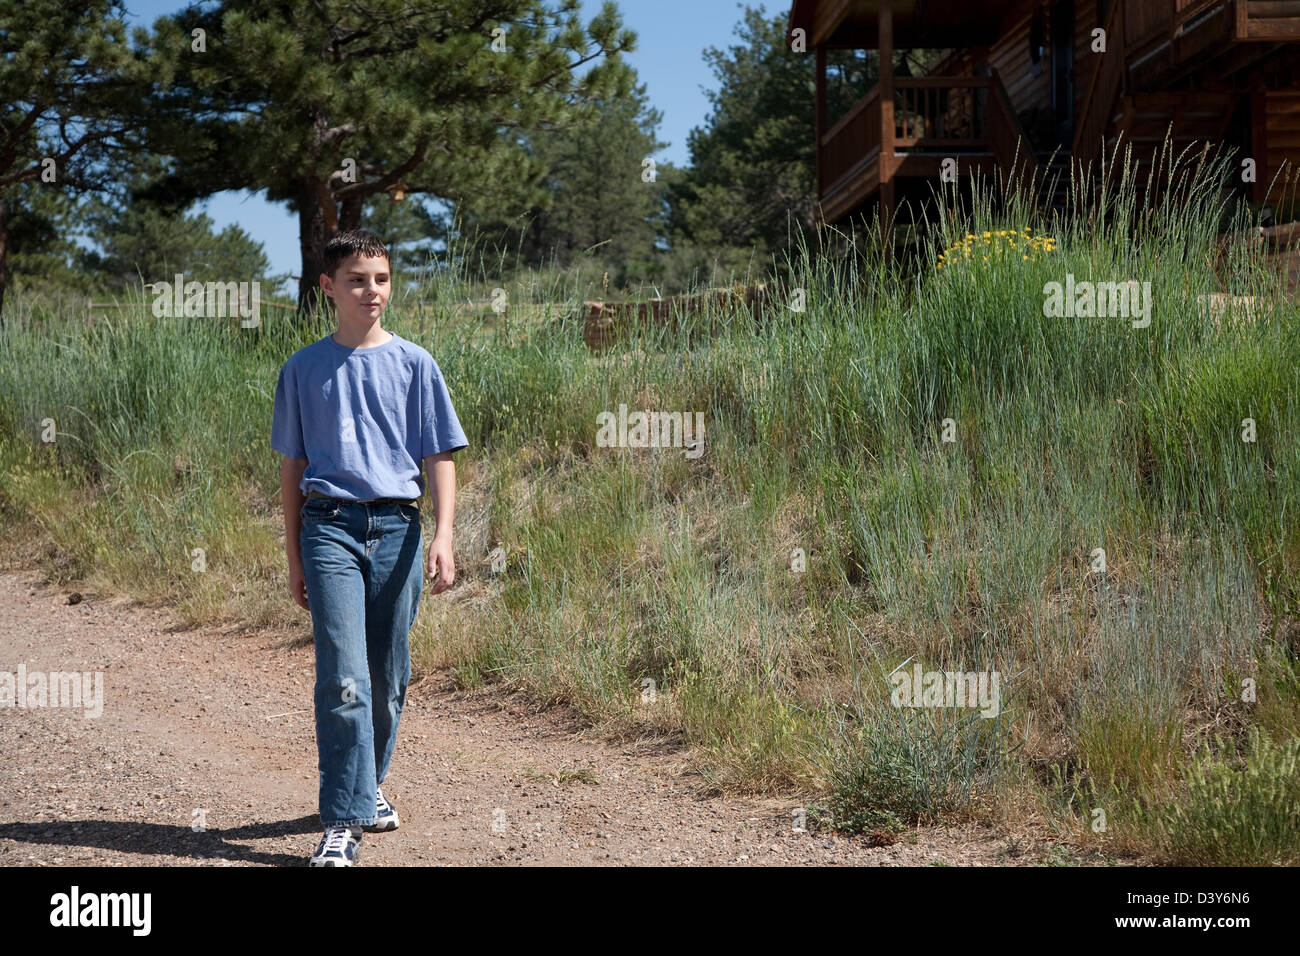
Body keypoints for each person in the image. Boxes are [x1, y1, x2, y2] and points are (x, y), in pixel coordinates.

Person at [270, 228, 468, 866]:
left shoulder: (416, 363)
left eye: (381, 278)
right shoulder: (302, 368)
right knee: (344, 676)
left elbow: (438, 454)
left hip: (399, 530)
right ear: (328, 287)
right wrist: (296, 556)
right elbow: (292, 468)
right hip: (328, 528)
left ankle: (367, 784)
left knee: (385, 677)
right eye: (357, 279)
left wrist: (443, 533)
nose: (372, 291)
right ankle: (343, 819)